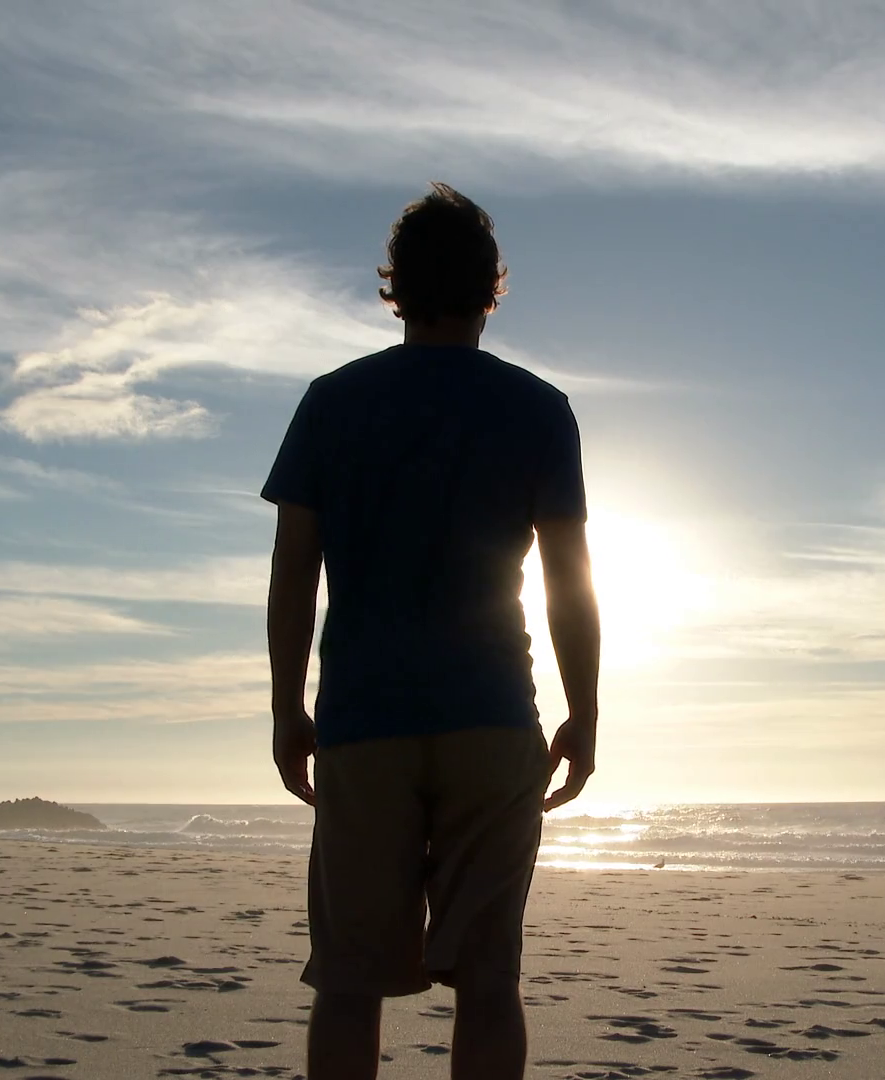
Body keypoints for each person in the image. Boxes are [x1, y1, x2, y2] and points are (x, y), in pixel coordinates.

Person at [261, 183, 601, 1080]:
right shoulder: (537, 407)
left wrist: (286, 708)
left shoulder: (335, 402)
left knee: (348, 983)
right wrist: (585, 712)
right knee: (489, 980)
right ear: (492, 287)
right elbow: (569, 580)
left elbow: (294, 572)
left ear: (396, 288)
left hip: (364, 722)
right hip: (492, 720)